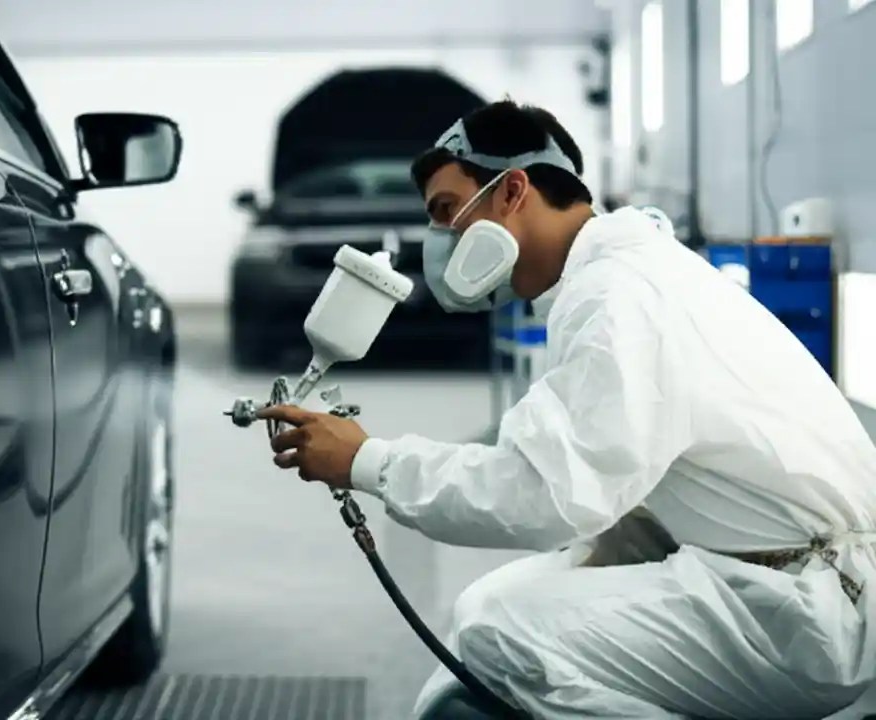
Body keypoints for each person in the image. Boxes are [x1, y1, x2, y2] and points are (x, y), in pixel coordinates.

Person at [258, 100, 876, 719]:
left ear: (512, 191)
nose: (441, 241)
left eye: (447, 211)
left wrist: (369, 462)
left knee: (502, 632)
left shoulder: (619, 297)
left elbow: (542, 491)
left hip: (804, 610)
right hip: (762, 569)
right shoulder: (617, 274)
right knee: (484, 608)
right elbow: (627, 478)